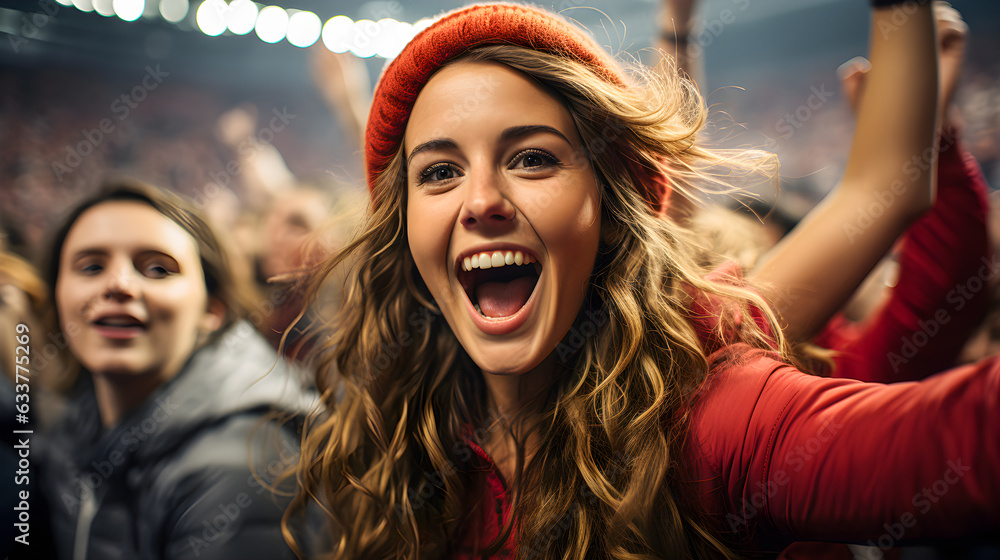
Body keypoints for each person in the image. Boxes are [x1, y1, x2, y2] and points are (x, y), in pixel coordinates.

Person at [288, 2, 999, 559]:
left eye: (533, 159)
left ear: (610, 214)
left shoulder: (710, 415)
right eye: (439, 171)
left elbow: (953, 440)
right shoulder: (393, 437)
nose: (480, 201)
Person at [36, 180, 309, 560]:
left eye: (158, 269)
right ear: (57, 294)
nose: (118, 284)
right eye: (92, 266)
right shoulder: (64, 433)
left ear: (212, 310)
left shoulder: (241, 465)